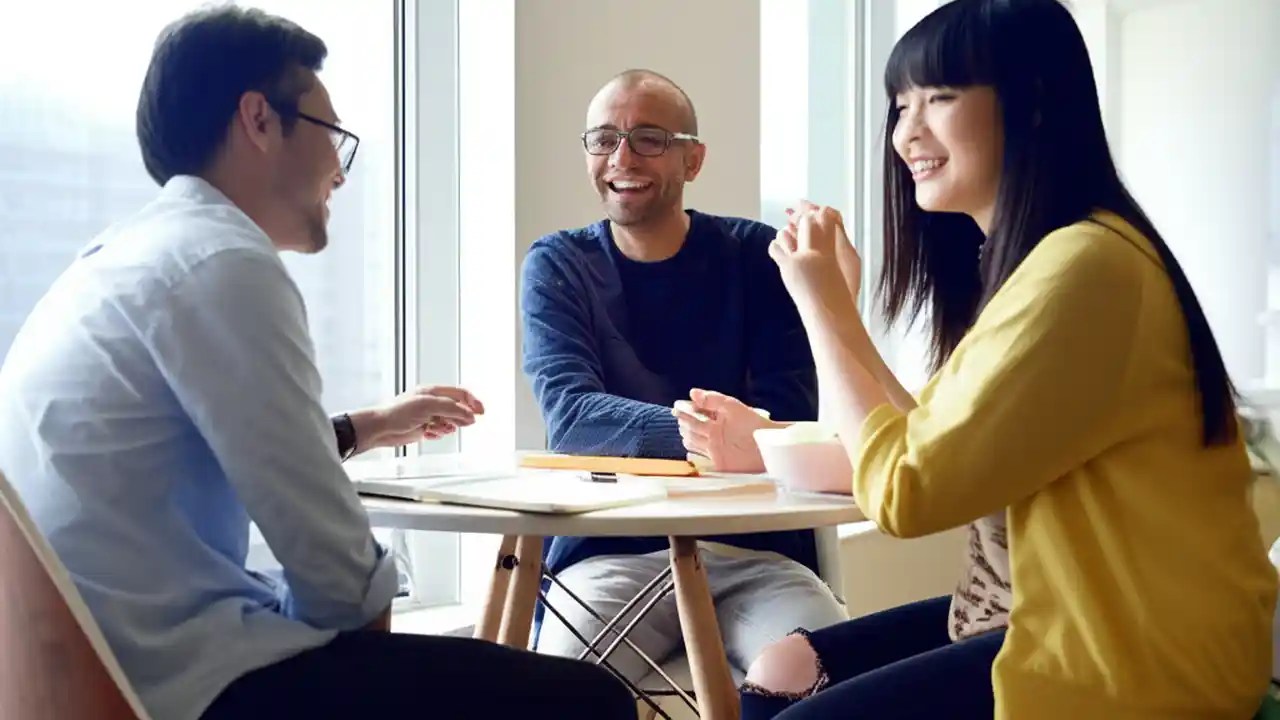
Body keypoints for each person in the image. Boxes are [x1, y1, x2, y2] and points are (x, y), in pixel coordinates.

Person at [0, 7, 635, 720]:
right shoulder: (223, 262)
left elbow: (207, 446)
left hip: (82, 675)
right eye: (333, 134)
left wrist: (362, 428)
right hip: (188, 684)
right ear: (260, 120)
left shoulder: (126, 257)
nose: (340, 167)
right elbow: (334, 576)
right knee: (590, 700)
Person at [678, 1, 1278, 718]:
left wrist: (822, 309)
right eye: (900, 105)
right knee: (781, 668)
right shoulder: (1051, 260)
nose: (907, 132)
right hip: (1053, 618)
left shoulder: (1085, 268)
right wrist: (838, 311)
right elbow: (932, 440)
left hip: (1128, 664)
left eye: (940, 97)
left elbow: (906, 491)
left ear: (1030, 106)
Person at [519, 69, 847, 683]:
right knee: (555, 693)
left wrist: (752, 438)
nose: (622, 157)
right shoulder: (559, 264)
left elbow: (787, 416)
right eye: (603, 138)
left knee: (826, 677)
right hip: (607, 553)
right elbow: (573, 419)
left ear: (692, 160)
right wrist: (725, 438)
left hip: (758, 553)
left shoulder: (758, 257)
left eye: (648, 138)